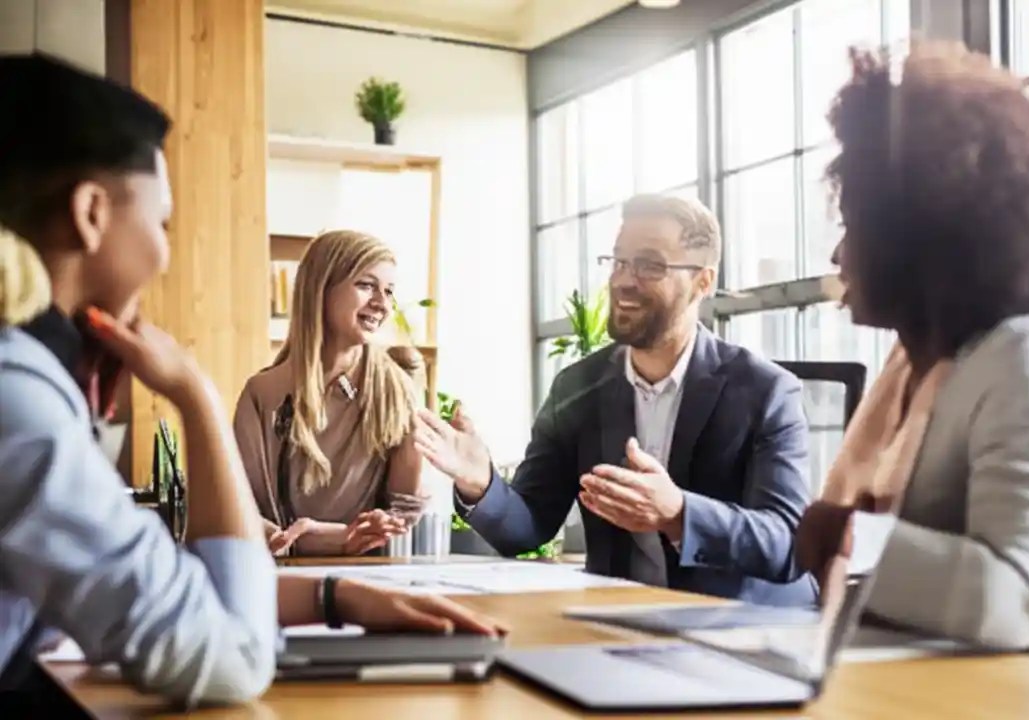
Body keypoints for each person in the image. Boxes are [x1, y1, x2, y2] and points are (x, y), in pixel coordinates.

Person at [0, 53, 503, 710]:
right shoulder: (21, 404)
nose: (164, 251)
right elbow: (231, 660)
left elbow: (147, 584)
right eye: (161, 223)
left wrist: (335, 593)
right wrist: (195, 397)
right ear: (92, 213)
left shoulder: (31, 381)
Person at [794, 42, 1029, 655]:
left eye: (853, 226)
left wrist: (850, 539)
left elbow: (1024, 597)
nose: (837, 255)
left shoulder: (1023, 360)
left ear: (918, 235)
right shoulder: (913, 365)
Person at [417, 194, 816, 606]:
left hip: (748, 630)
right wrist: (480, 483)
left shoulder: (766, 391)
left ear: (702, 281)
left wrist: (678, 514)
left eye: (649, 265)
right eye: (619, 261)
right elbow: (529, 529)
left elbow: (788, 544)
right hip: (625, 623)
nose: (624, 280)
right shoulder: (577, 387)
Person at [234, 230, 427, 556]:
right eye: (366, 285)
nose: (381, 303)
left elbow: (406, 516)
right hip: (279, 581)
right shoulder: (262, 395)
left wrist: (353, 536)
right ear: (321, 288)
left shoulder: (398, 393)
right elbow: (236, 506)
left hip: (369, 581)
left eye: (389, 291)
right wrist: (292, 539)